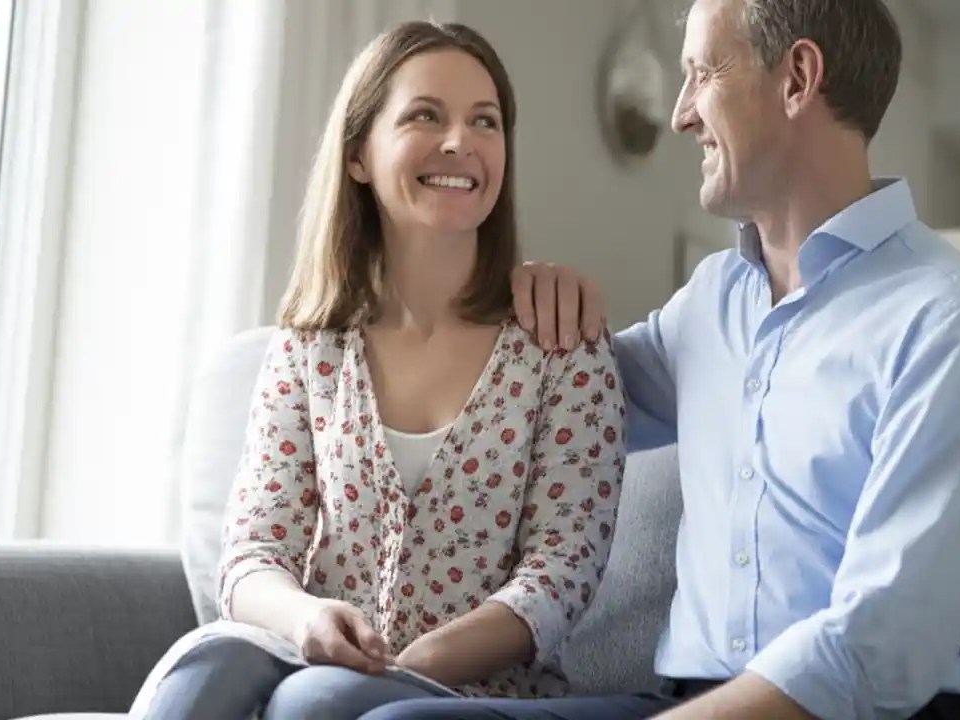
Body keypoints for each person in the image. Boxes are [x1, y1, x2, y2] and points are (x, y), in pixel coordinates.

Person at [365, 0, 960, 719]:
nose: (681, 115)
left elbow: (881, 646)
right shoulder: (714, 301)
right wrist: (520, 297)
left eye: (701, 74)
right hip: (682, 699)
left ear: (798, 79)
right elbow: (555, 403)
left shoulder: (952, 324)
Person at [130, 21, 626, 720]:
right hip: (312, 656)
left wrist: (407, 664)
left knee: (317, 702)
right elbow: (252, 553)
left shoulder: (561, 344)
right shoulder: (311, 345)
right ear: (359, 153)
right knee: (208, 667)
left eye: (485, 122)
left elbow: (561, 573)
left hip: (471, 693)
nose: (461, 141)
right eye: (427, 115)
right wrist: (306, 620)